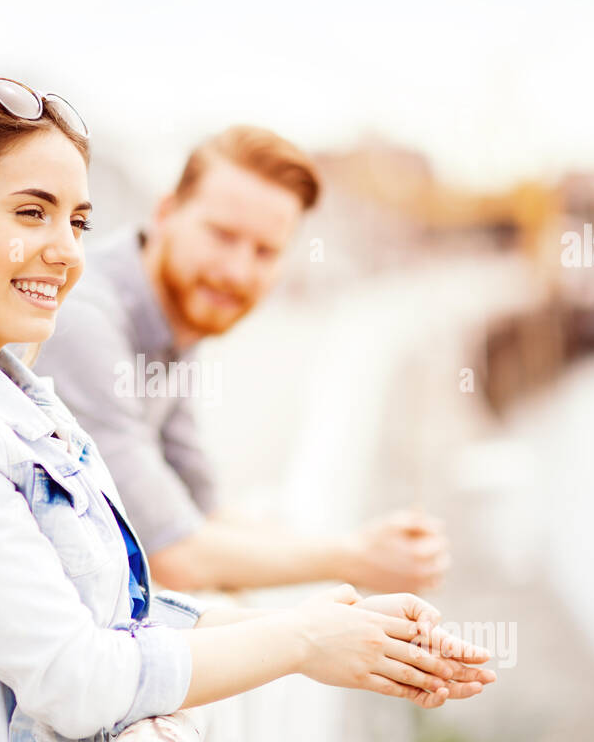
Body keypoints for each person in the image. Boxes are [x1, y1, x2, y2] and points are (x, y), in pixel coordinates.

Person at [0, 74, 494, 742]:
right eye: (31, 212)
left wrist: (340, 628)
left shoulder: (20, 392)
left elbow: (125, 599)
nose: (63, 252)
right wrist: (307, 634)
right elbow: (79, 666)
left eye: (76, 222)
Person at [30, 126, 450, 596]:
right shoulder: (84, 318)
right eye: (222, 235)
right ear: (166, 212)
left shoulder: (175, 320)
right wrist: (354, 558)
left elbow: (202, 512)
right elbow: (174, 556)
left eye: (265, 251)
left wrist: (365, 548)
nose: (237, 272)